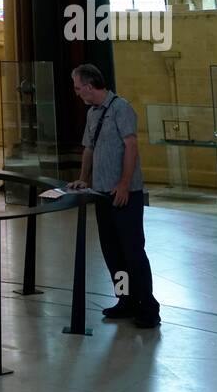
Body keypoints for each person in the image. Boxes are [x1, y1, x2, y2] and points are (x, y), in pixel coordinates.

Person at [68, 63, 160, 329]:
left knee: (132, 251)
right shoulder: (92, 114)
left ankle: (148, 307)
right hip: (101, 193)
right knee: (112, 252)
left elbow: (132, 146)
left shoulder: (121, 108)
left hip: (125, 194)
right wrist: (84, 178)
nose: (76, 93)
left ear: (88, 85)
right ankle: (125, 299)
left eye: (77, 87)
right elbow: (89, 148)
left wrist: (123, 183)